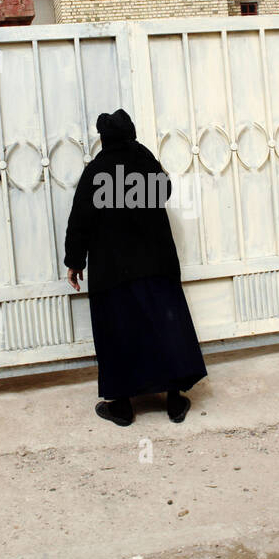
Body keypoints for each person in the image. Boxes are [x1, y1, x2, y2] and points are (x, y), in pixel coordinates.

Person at [63, 109, 207, 426]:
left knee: (119, 334)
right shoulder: (144, 164)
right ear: (131, 135)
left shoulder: (97, 171)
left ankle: (123, 407)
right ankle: (173, 401)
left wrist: (75, 261)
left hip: (113, 272)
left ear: (104, 139)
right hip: (156, 266)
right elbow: (165, 192)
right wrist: (140, 153)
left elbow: (80, 220)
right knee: (165, 329)